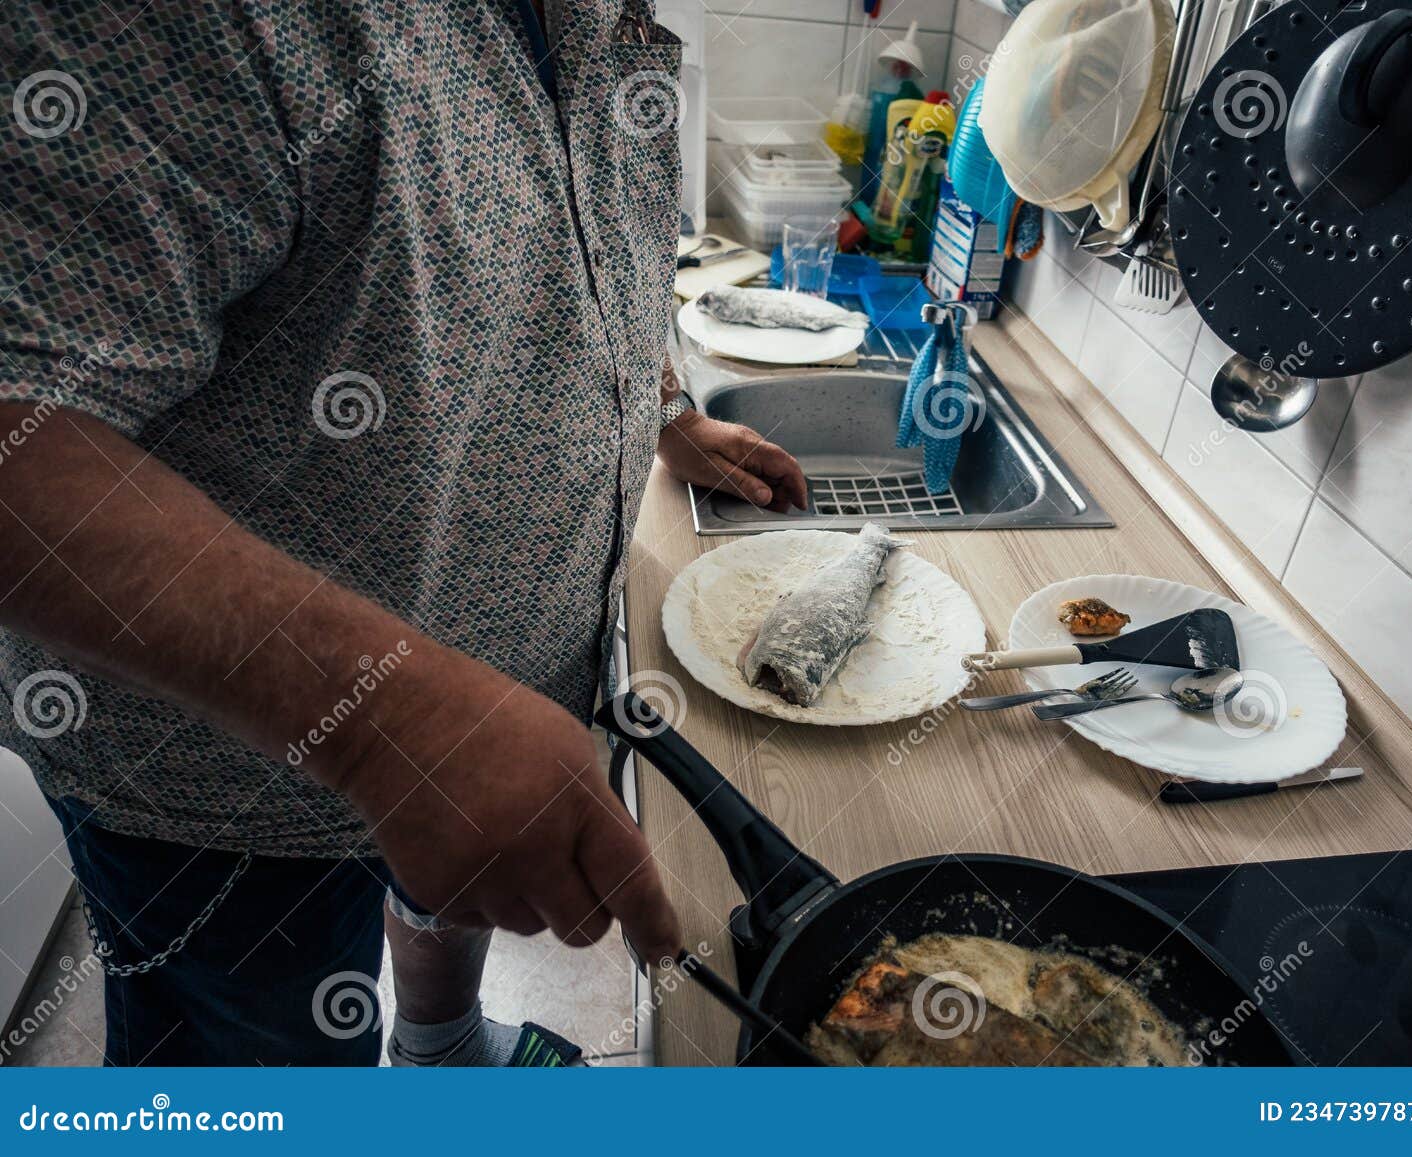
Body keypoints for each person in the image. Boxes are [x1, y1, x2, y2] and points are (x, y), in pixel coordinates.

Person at [0, 0, 807, 1066]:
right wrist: (393, 721)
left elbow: (569, 242)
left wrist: (662, 412)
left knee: (442, 901)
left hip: (493, 678)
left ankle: (441, 1042)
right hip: (230, 786)